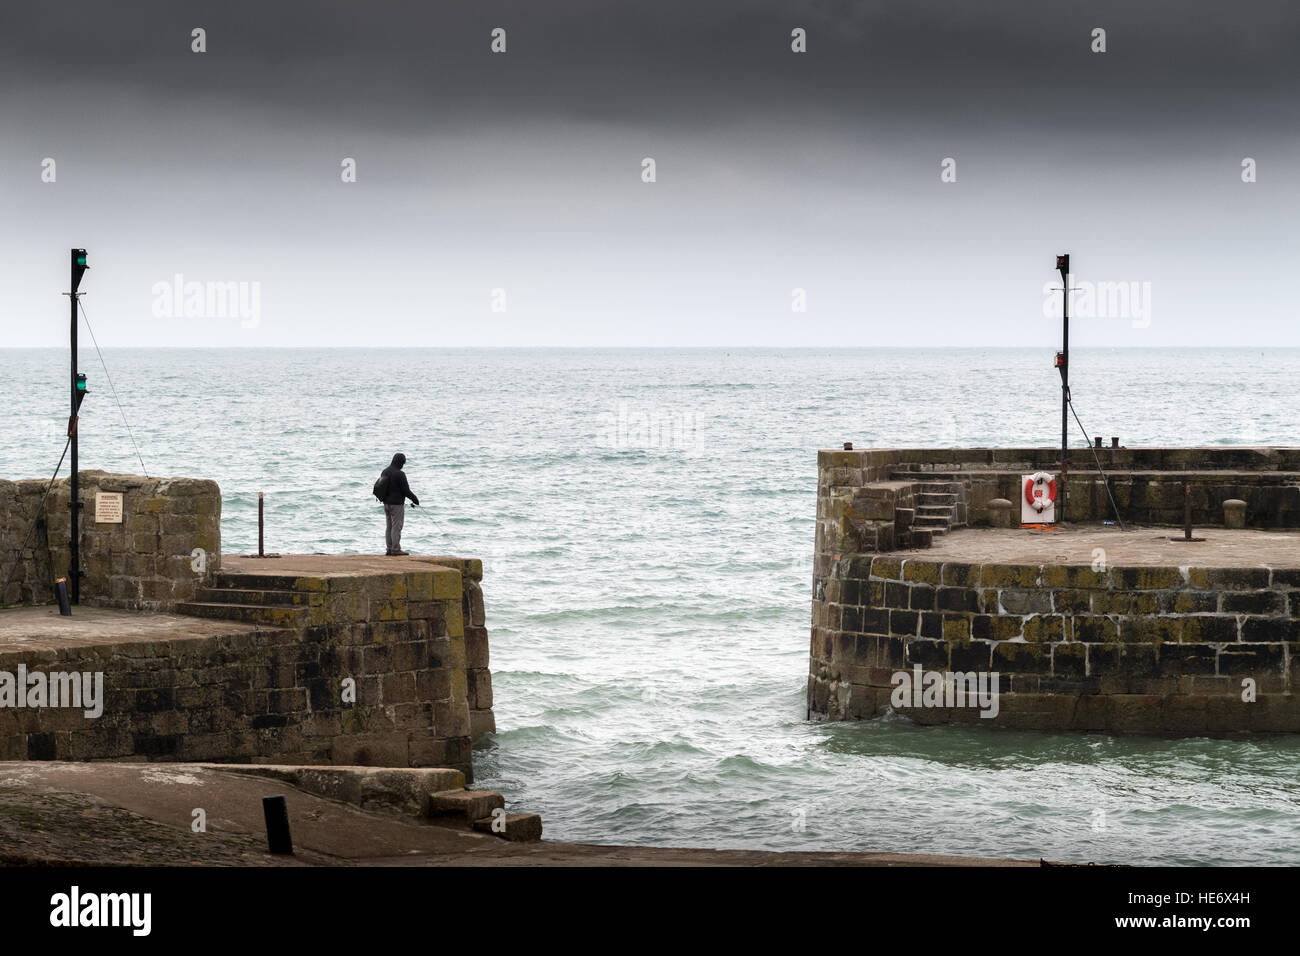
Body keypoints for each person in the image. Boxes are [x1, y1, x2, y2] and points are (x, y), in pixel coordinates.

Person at [377, 453, 419, 555]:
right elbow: (406, 491)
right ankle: (395, 549)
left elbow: (381, 486)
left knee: (389, 527)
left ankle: (389, 548)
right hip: (396, 505)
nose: (403, 465)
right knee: (396, 527)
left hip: (386, 504)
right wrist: (415, 499)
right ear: (400, 462)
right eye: (403, 463)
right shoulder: (400, 474)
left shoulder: (385, 471)